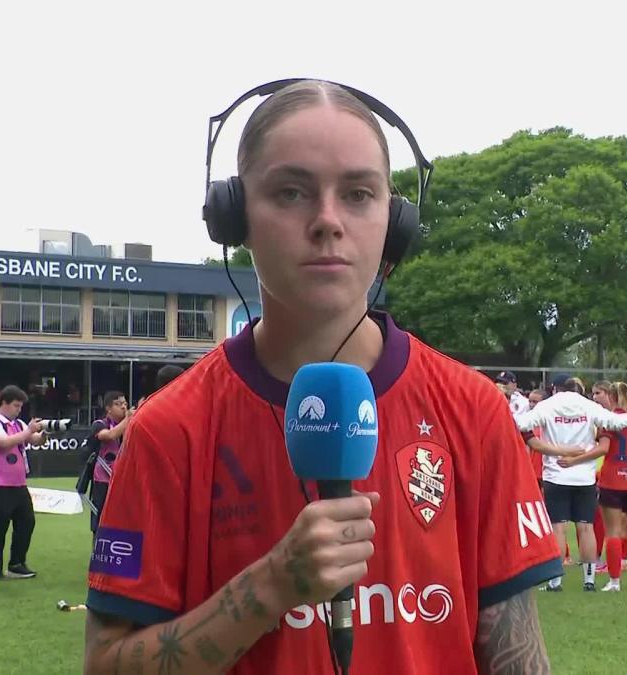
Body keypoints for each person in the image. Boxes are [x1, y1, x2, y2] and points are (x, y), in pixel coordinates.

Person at [84, 79, 562, 674]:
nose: (328, 221)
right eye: (291, 192)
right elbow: (106, 663)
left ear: (395, 221)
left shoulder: (473, 410)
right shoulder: (168, 430)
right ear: (234, 217)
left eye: (359, 194)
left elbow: (517, 657)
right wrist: (270, 586)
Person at [515, 373, 627, 592]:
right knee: (586, 527)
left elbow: (521, 423)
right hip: (584, 476)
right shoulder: (587, 405)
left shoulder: (548, 406)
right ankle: (588, 580)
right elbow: (616, 422)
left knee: (558, 528)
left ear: (555, 389)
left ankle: (555, 581)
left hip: (556, 473)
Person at [579, 383, 627, 592]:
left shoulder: (609, 422)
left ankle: (614, 582)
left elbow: (602, 447)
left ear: (611, 397)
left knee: (613, 532)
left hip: (612, 480)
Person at [0, 385, 45, 579]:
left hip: (18, 484)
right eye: (16, 405)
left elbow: (34, 440)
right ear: (3, 403)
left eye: (20, 406)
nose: (19, 410)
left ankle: (17, 563)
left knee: (26, 522)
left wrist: (46, 433)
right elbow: (4, 442)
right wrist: (29, 431)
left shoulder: (19, 424)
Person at [85, 391, 135, 534]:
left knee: (124, 521)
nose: (124, 407)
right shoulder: (99, 424)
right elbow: (109, 435)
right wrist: (128, 420)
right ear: (108, 408)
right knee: (100, 522)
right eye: (118, 404)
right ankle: (98, 553)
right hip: (103, 481)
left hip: (124, 480)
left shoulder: (130, 425)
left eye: (125, 403)